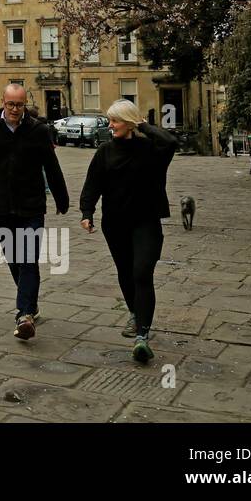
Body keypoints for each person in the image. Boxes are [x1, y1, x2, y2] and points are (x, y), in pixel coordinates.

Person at [0, 84, 69, 340]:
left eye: (19, 105)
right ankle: (31, 306)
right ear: (3, 102)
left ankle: (23, 314)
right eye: (10, 104)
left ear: (25, 105)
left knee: (27, 258)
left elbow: (51, 166)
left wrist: (61, 198)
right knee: (13, 258)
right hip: (2, 203)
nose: (14, 109)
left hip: (32, 204)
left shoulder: (38, 130)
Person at [79, 100, 178, 364]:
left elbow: (170, 142)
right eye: (110, 120)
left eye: (116, 121)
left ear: (130, 123)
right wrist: (86, 213)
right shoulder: (105, 152)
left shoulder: (151, 150)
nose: (110, 125)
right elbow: (92, 185)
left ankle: (142, 336)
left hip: (146, 221)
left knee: (141, 272)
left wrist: (144, 124)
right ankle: (136, 313)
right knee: (125, 272)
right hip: (115, 223)